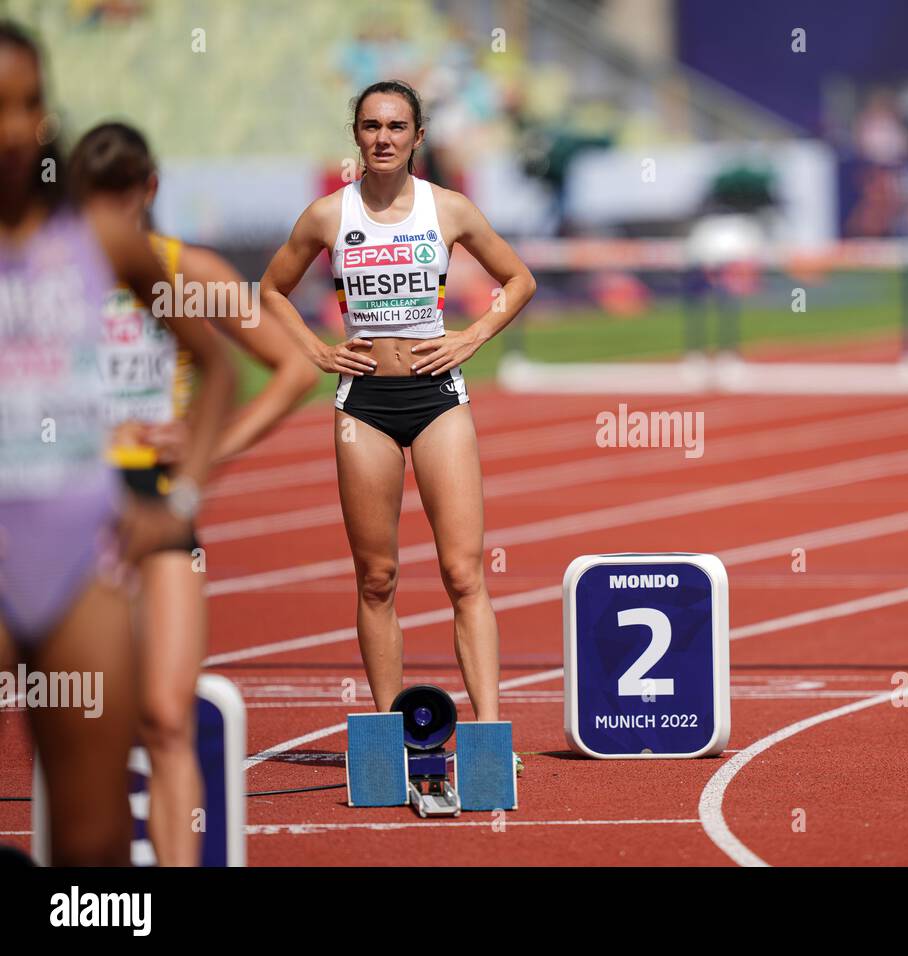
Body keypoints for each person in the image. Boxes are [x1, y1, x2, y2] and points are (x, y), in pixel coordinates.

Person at [0, 21, 233, 864]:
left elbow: (217, 367)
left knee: (93, 836)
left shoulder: (99, 239)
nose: (16, 127)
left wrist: (183, 500)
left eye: (30, 104)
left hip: (79, 563)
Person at [70, 121, 318, 865]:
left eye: (120, 195)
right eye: (92, 198)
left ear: (147, 191)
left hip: (158, 503)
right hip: (75, 507)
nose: (107, 213)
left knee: (167, 715)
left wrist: (207, 452)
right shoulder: (51, 273)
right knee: (84, 722)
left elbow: (293, 369)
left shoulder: (187, 269)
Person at [259, 80, 535, 716]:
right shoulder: (329, 215)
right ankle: (389, 731)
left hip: (438, 397)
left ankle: (490, 730)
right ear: (355, 134)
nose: (383, 138)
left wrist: (473, 336)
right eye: (371, 126)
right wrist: (317, 351)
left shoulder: (449, 209)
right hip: (364, 406)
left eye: (396, 127)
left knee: (463, 573)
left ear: (418, 137)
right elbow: (272, 289)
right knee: (377, 577)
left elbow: (519, 279)